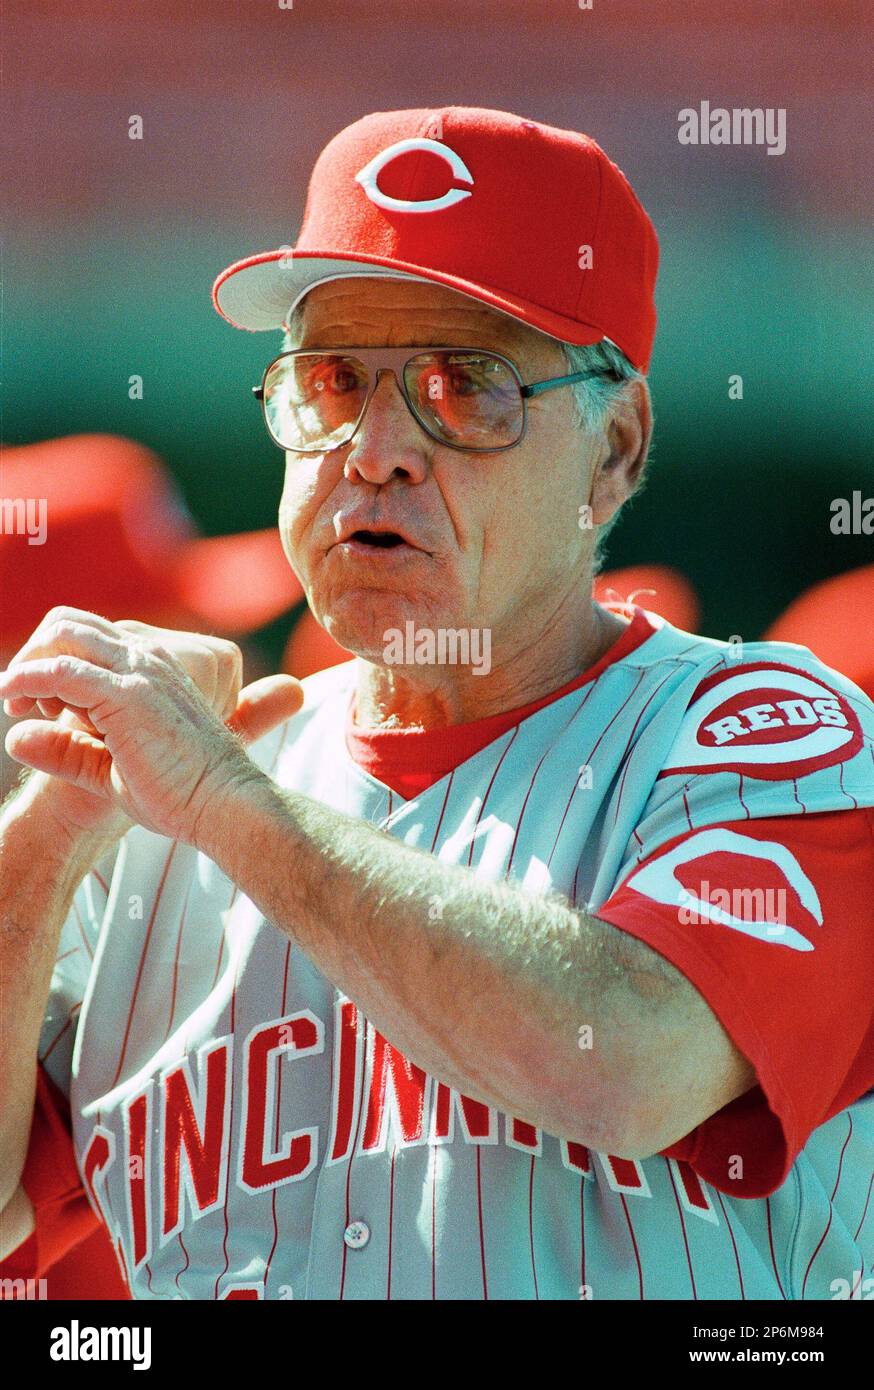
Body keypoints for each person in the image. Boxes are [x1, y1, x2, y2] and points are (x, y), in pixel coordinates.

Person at [1, 107, 871, 1301]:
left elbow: (624, 1063)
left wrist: (225, 803)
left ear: (613, 451)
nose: (376, 448)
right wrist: (45, 837)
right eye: (332, 381)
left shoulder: (765, 730)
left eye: (463, 386)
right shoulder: (160, 808)